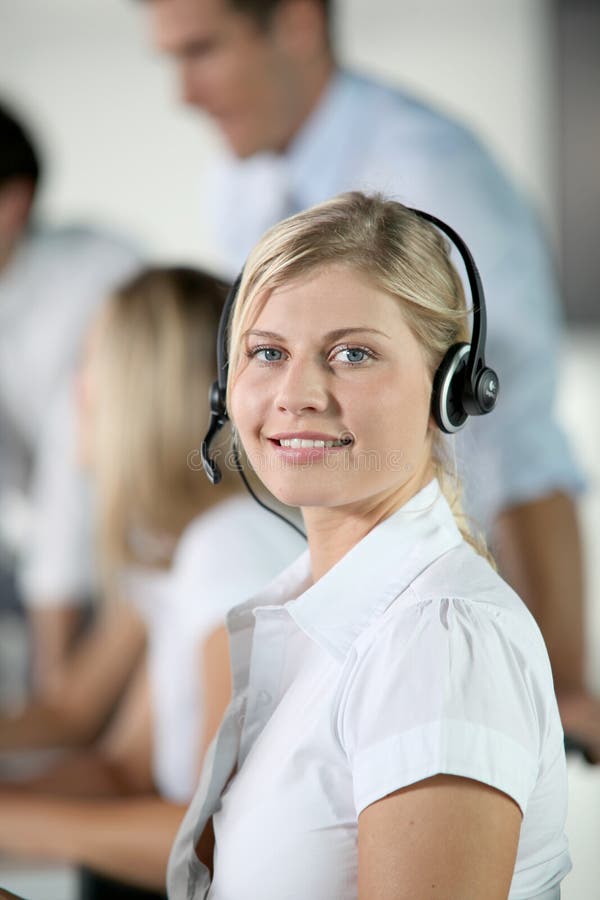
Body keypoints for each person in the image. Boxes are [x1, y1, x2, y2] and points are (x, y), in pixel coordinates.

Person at [141, 0, 599, 760]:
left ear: (297, 24)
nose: (183, 94)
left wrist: (560, 684)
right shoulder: (238, 181)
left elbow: (516, 429)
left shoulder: (431, 173)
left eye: (203, 51)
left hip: (434, 603)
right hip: (343, 589)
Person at [167, 192, 570, 899]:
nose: (297, 394)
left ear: (451, 388)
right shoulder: (315, 614)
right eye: (267, 352)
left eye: (352, 354)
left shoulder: (437, 642)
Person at [0, 267, 304, 894]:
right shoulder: (189, 548)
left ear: (141, 394)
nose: (76, 391)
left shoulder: (231, 548)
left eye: (90, 365)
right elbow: (127, 769)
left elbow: (212, 839)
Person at [0, 100, 141, 694]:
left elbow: (70, 480)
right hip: (49, 556)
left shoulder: (91, 279)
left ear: (14, 203)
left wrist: (52, 689)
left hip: (136, 545)